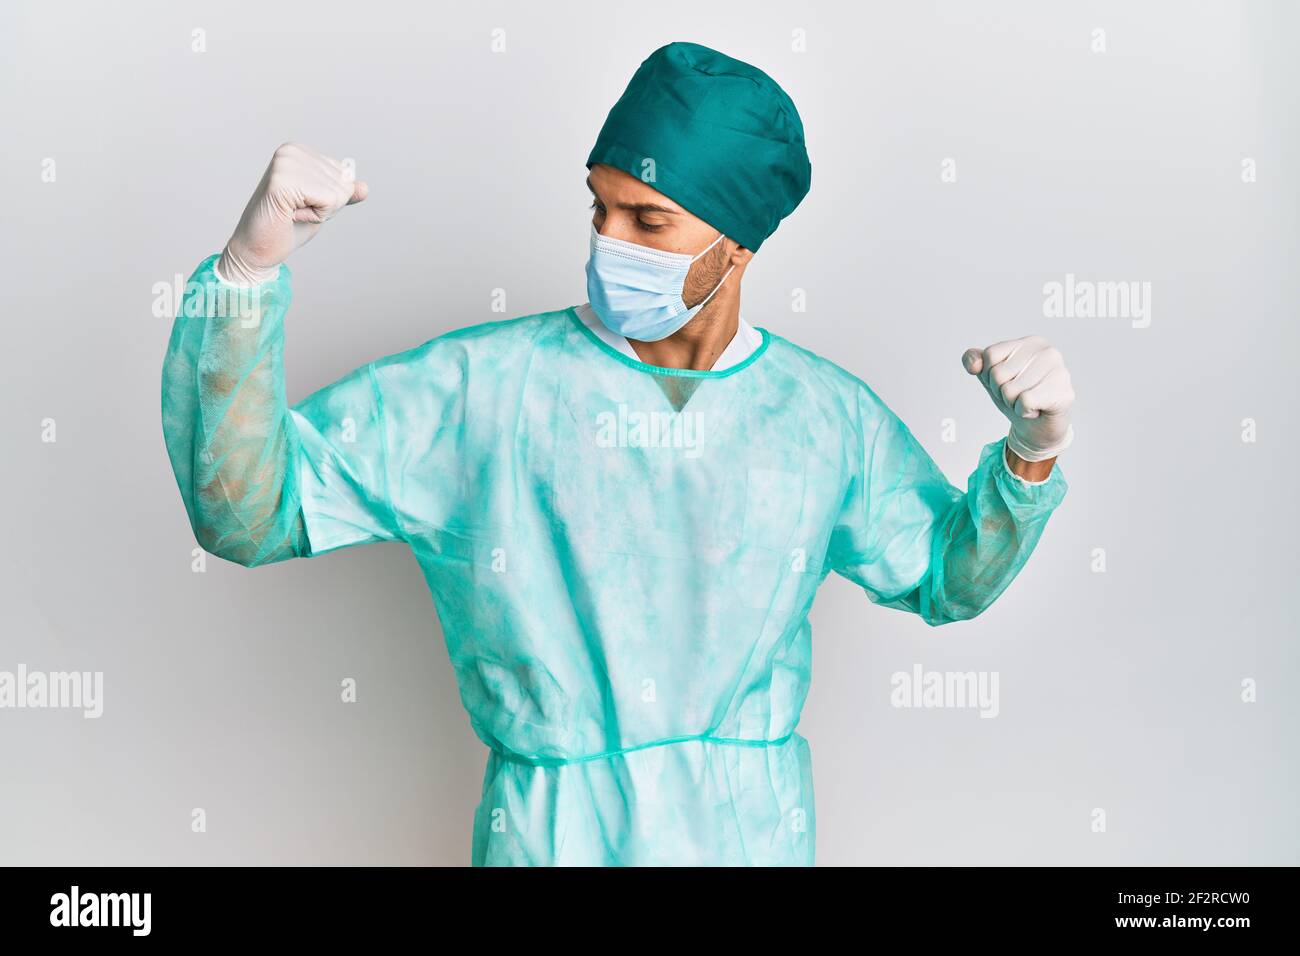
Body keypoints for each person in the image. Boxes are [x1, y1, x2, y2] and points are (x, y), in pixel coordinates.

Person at [161, 41, 1073, 866]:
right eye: (598, 208)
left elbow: (947, 578)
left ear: (737, 245)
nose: (608, 243)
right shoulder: (482, 391)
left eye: (647, 221)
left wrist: (1030, 454)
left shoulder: (820, 418)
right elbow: (250, 514)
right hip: (552, 839)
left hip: (752, 842)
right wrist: (246, 277)